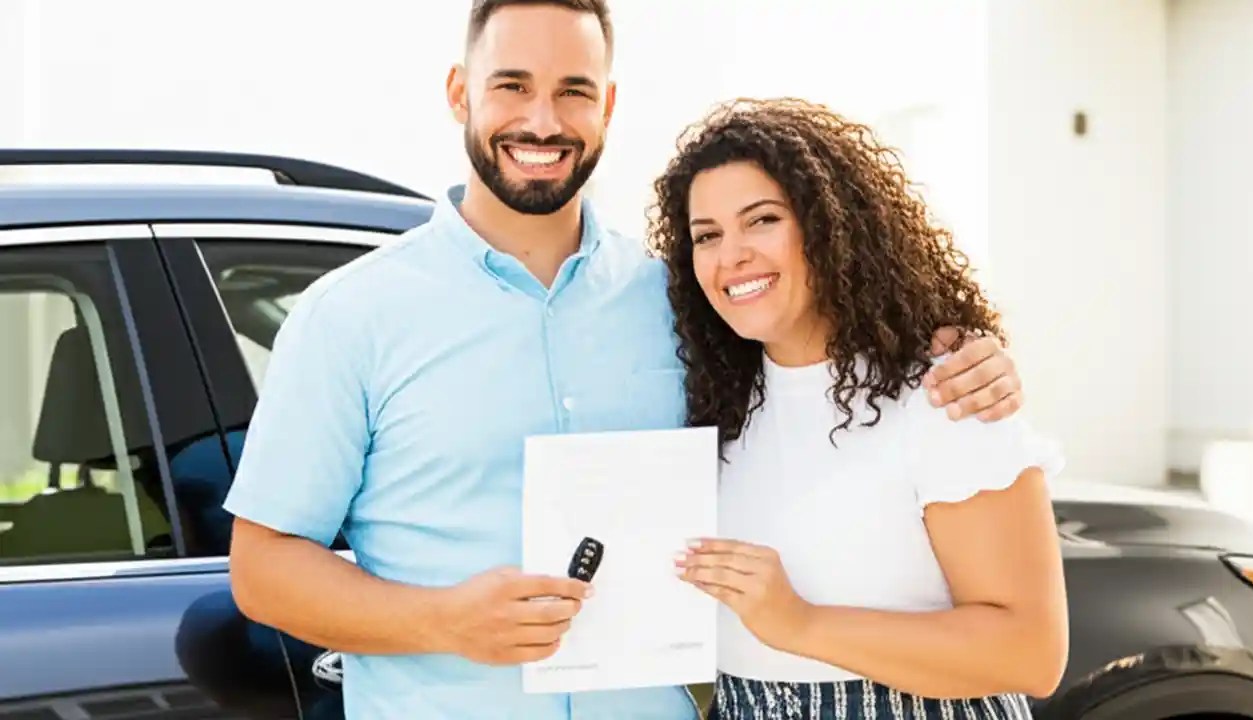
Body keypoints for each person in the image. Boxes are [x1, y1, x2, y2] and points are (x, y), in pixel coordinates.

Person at [224, 2, 1031, 718]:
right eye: (511, 85)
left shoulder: (690, 304)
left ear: (607, 105)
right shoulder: (349, 316)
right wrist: (441, 619)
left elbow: (824, 377)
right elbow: (263, 571)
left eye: (574, 90)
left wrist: (967, 351)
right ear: (459, 94)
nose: (543, 120)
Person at [654, 98, 1069, 720]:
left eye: (762, 220)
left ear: (829, 227)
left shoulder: (947, 393)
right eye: (706, 235)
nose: (730, 254)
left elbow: (1031, 652)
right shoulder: (718, 408)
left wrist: (802, 624)